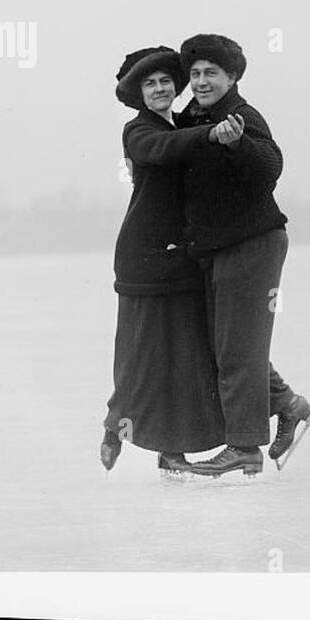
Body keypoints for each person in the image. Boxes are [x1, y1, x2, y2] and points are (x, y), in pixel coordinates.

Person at [174, 34, 310, 478]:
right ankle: (288, 405)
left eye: (211, 73)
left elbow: (270, 166)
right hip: (219, 246)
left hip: (254, 243)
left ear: (232, 76)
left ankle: (244, 447)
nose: (201, 81)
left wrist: (238, 145)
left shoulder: (241, 116)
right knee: (228, 343)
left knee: (237, 346)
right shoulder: (191, 118)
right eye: (195, 74)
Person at [101, 46, 227, 475]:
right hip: (142, 258)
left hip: (181, 258)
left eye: (165, 82)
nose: (159, 89)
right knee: (142, 355)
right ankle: (115, 424)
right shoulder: (138, 131)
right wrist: (210, 135)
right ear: (139, 93)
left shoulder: (184, 122)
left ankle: (172, 451)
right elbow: (165, 148)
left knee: (184, 357)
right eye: (150, 84)